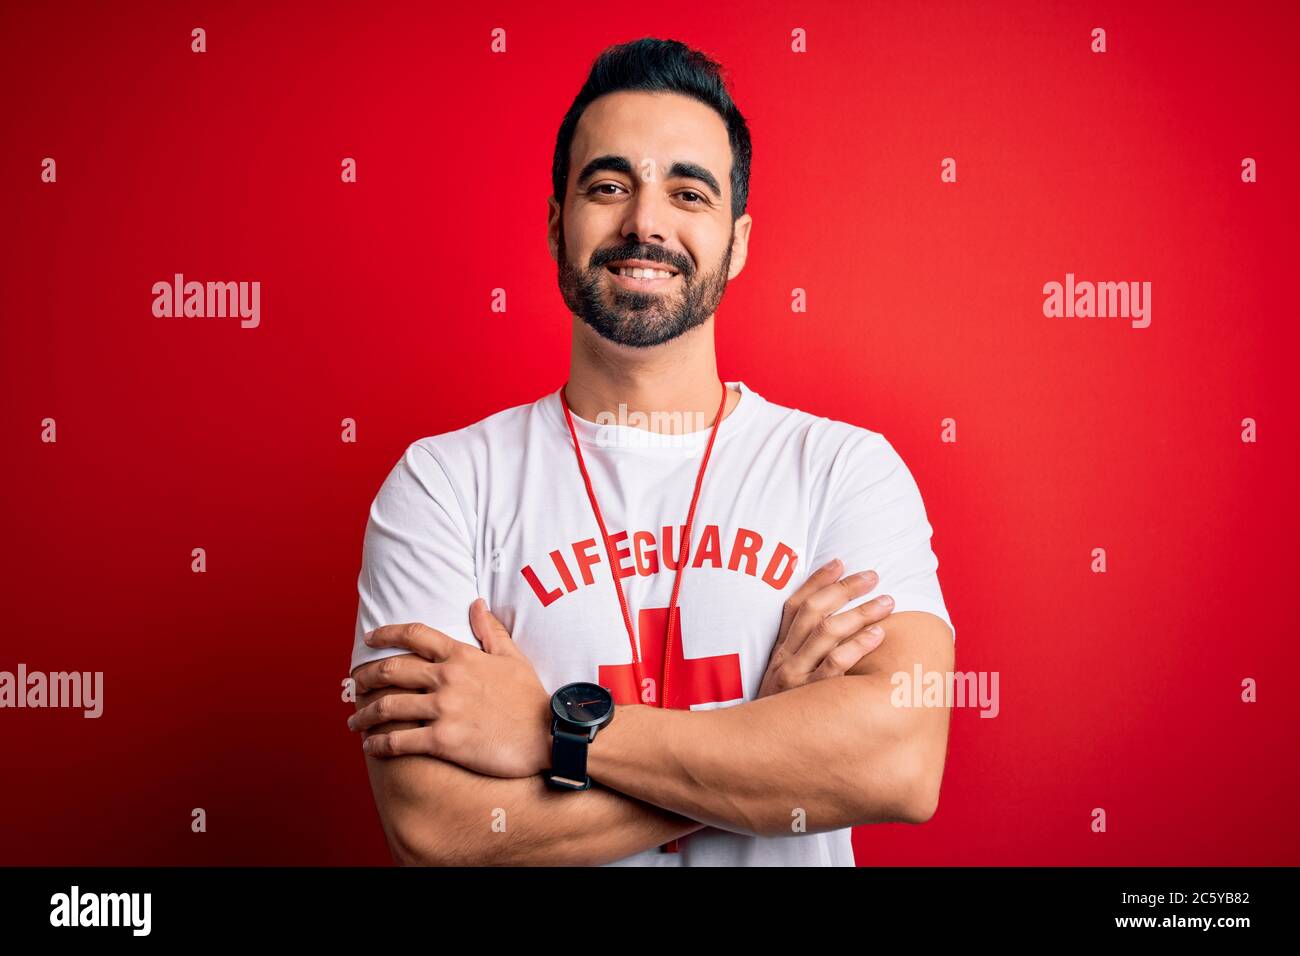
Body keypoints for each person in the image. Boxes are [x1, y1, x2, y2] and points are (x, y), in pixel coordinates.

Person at [346, 37, 955, 866]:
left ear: (737, 242)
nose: (645, 222)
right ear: (559, 224)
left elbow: (902, 763)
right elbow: (436, 829)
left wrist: (547, 729)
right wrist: (763, 748)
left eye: (688, 192)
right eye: (608, 186)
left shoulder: (845, 470)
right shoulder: (443, 485)